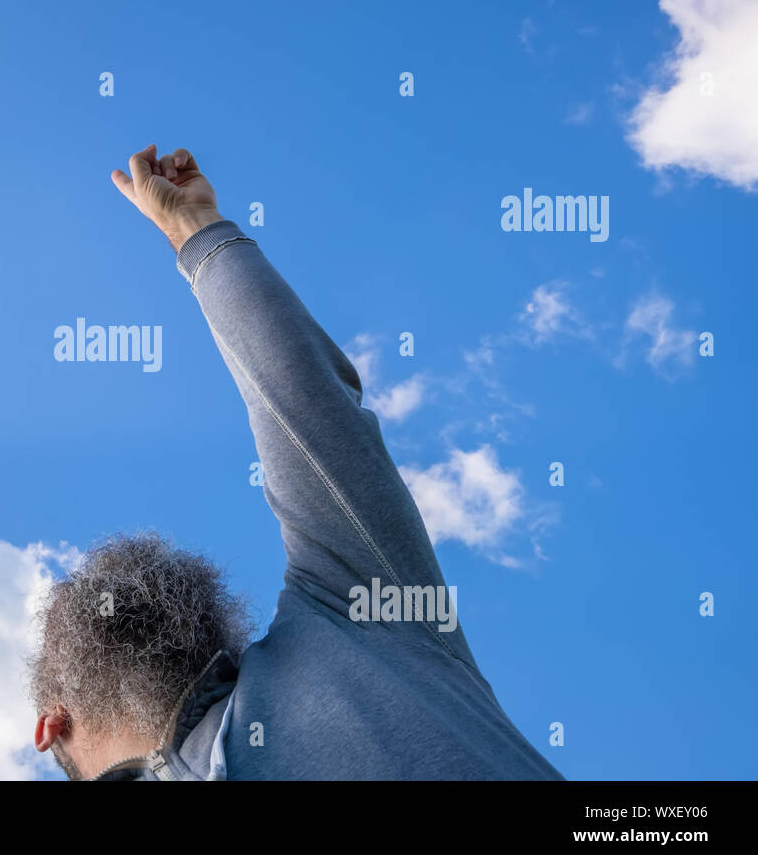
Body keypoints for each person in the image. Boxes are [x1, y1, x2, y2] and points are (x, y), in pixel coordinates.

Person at [28, 144, 563, 781]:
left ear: (51, 727)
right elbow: (304, 402)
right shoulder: (359, 610)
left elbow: (303, 403)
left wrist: (197, 235)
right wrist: (195, 232)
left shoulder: (350, 611)